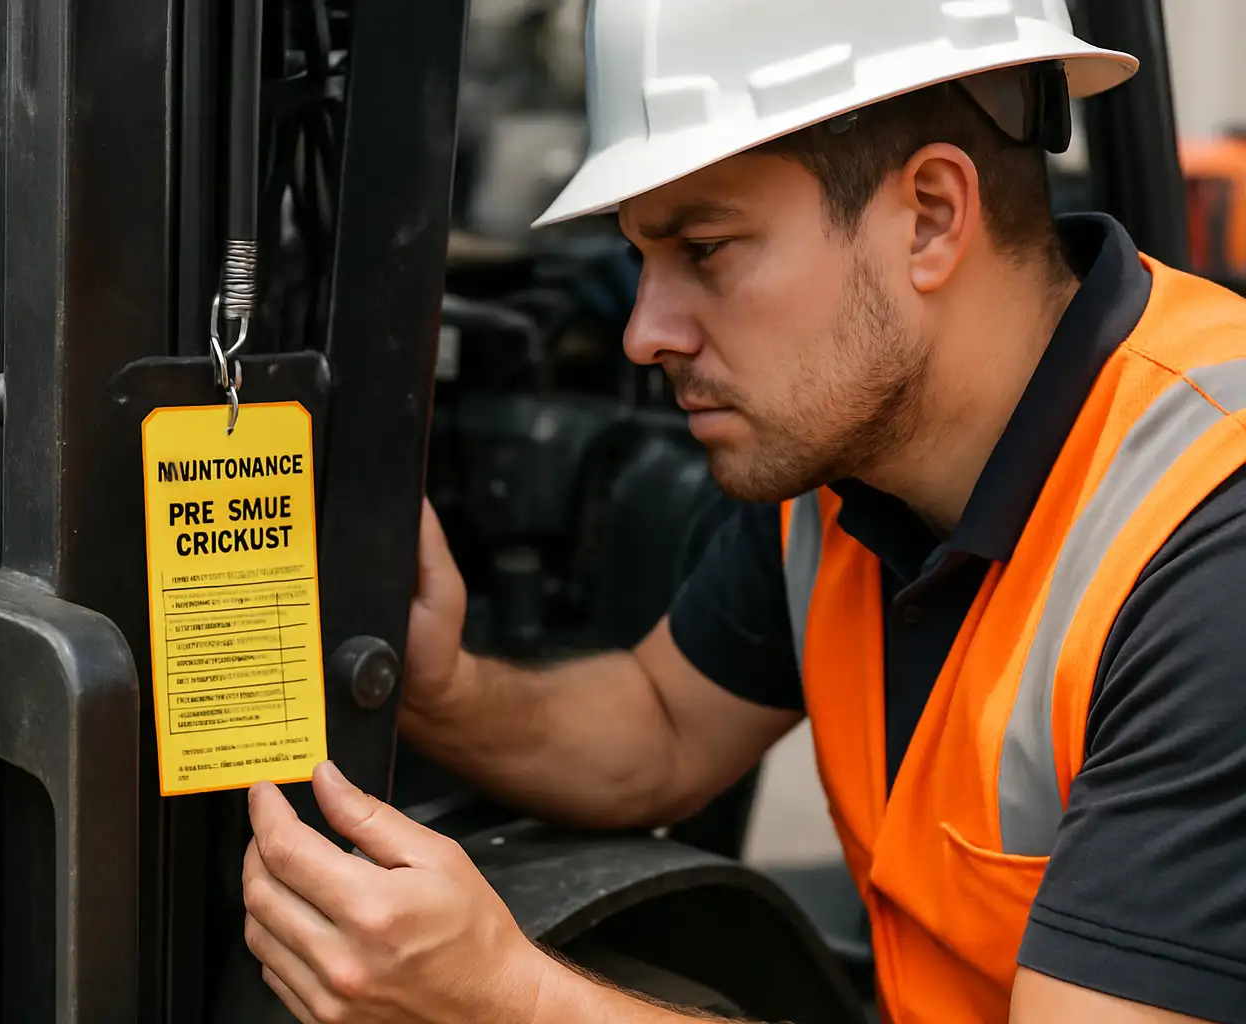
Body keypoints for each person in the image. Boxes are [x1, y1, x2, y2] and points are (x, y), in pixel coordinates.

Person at [239, 3, 1246, 1022]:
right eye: (642, 258)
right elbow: (665, 726)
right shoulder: (852, 471)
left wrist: (509, 997)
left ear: (933, 215)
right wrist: (434, 683)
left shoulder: (1210, 548)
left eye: (706, 248)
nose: (643, 332)